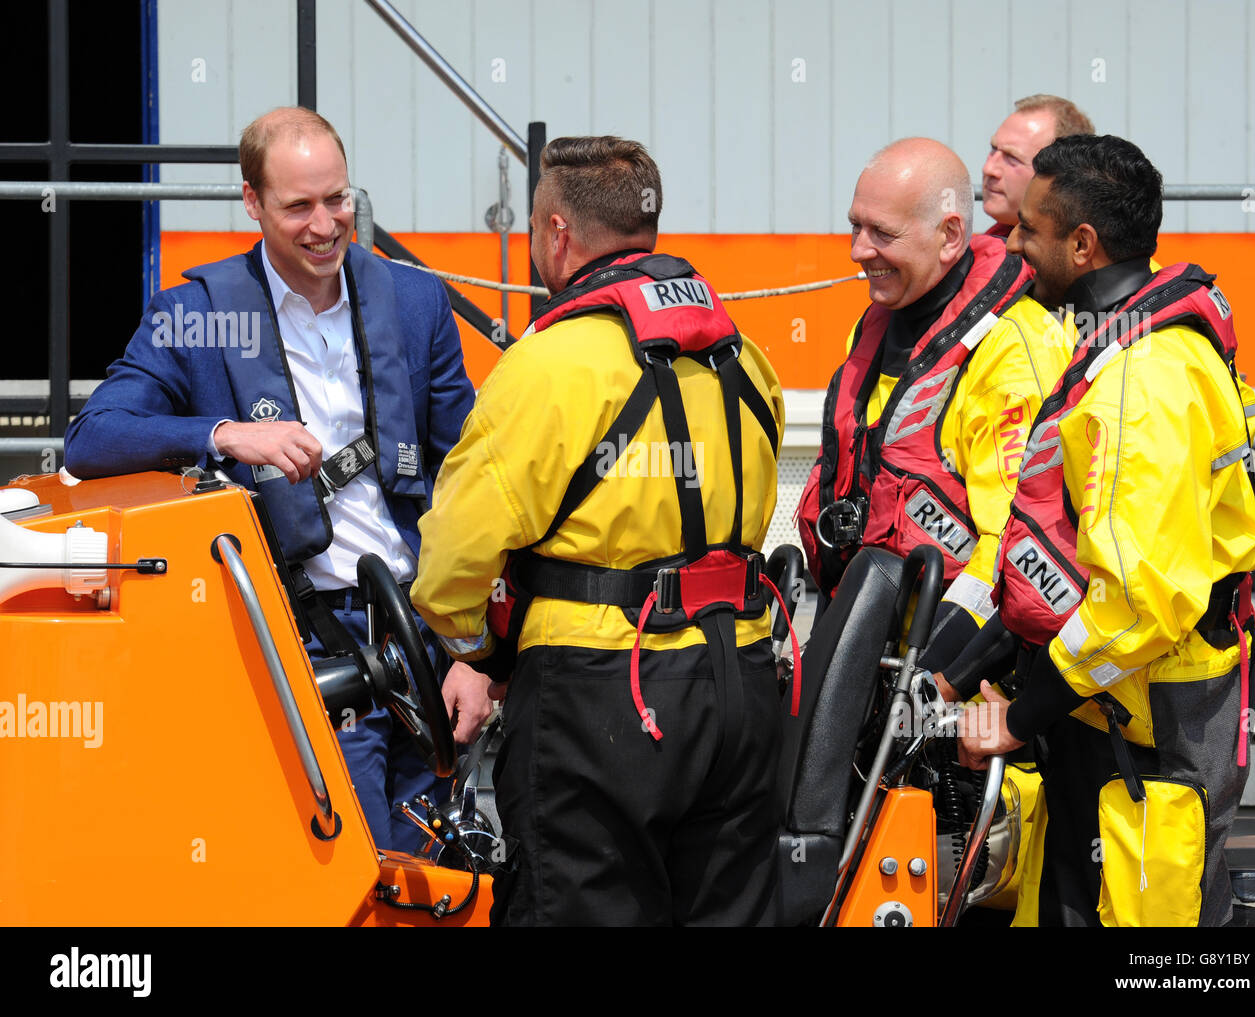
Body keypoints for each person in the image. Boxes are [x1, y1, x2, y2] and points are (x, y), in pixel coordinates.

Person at [63, 106, 489, 854]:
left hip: (423, 636)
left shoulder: (416, 303)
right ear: (252, 203)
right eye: (299, 206)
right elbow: (94, 434)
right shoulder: (199, 314)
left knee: (438, 871)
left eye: (339, 199)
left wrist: (477, 655)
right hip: (300, 647)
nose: (326, 224)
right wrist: (223, 434)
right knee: (350, 868)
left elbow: (474, 482)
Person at [410, 136, 787, 926]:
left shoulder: (549, 365)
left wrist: (481, 652)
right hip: (744, 683)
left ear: (555, 232)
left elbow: (450, 566)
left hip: (602, 698)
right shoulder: (745, 358)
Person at [954, 134, 1255, 927]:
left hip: (1152, 717)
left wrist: (1016, 720)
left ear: (1082, 243)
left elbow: (1135, 603)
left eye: (1029, 230)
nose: (1013, 246)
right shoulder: (1117, 341)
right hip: (1113, 703)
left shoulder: (1144, 377)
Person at [797, 138, 1069, 668]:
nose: (858, 250)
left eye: (882, 233)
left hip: (957, 676)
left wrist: (937, 675)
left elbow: (1012, 542)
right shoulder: (873, 327)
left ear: (949, 236)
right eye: (856, 226)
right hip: (863, 640)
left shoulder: (1011, 349)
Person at [982, 95, 1094, 238]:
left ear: (1061, 174)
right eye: (993, 148)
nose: (988, 169)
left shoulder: (1078, 255)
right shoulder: (993, 241)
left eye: (1012, 157)